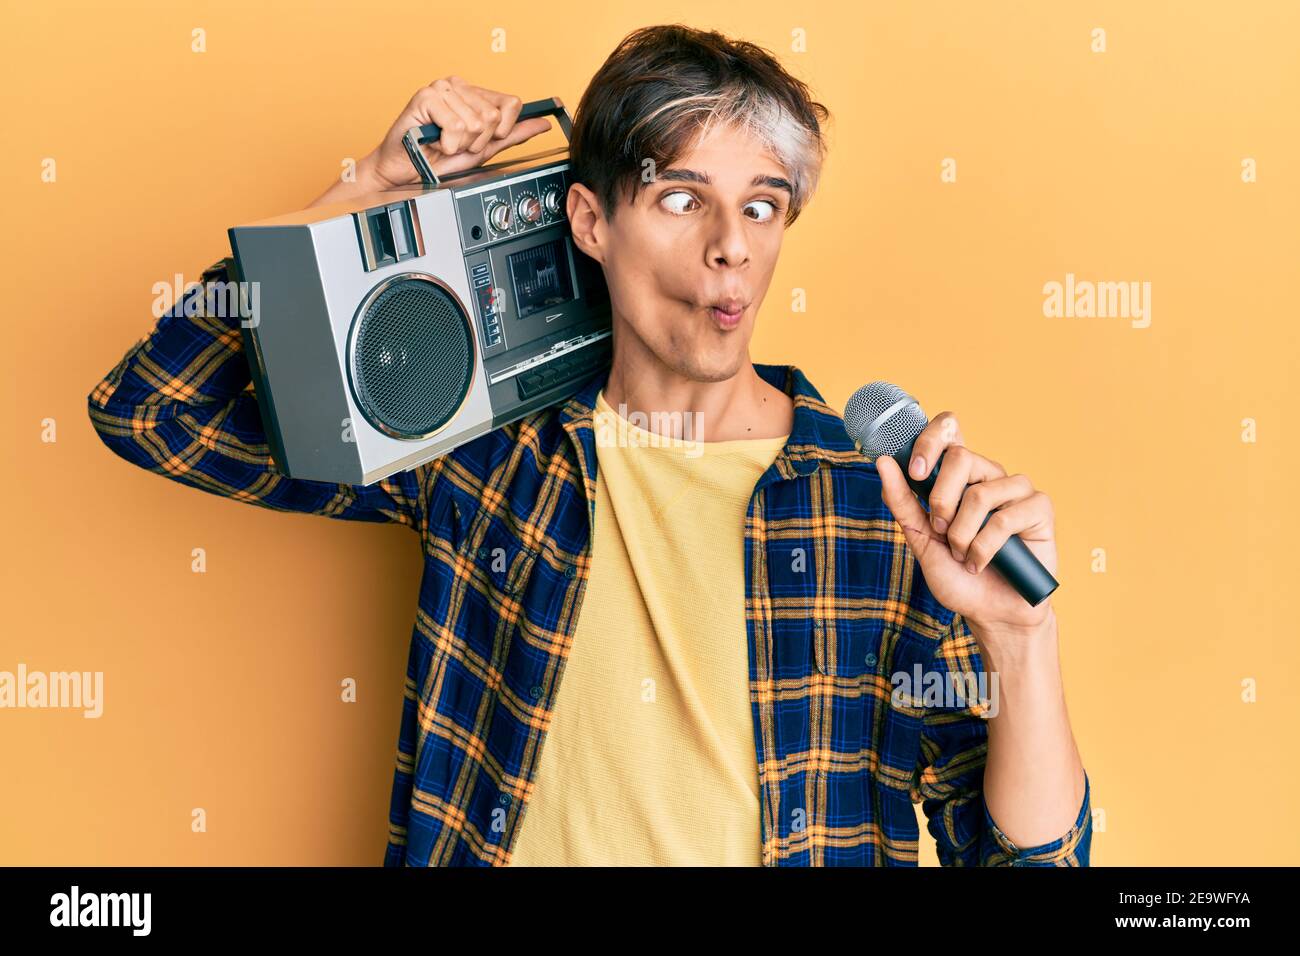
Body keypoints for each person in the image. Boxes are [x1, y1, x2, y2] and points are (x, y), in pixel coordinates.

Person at [87, 23, 1091, 867]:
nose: (729, 244)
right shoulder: (481, 454)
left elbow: (1024, 860)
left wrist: (1021, 642)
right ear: (590, 219)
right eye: (680, 197)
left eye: (760, 204)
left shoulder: (885, 505)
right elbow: (154, 408)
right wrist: (366, 189)